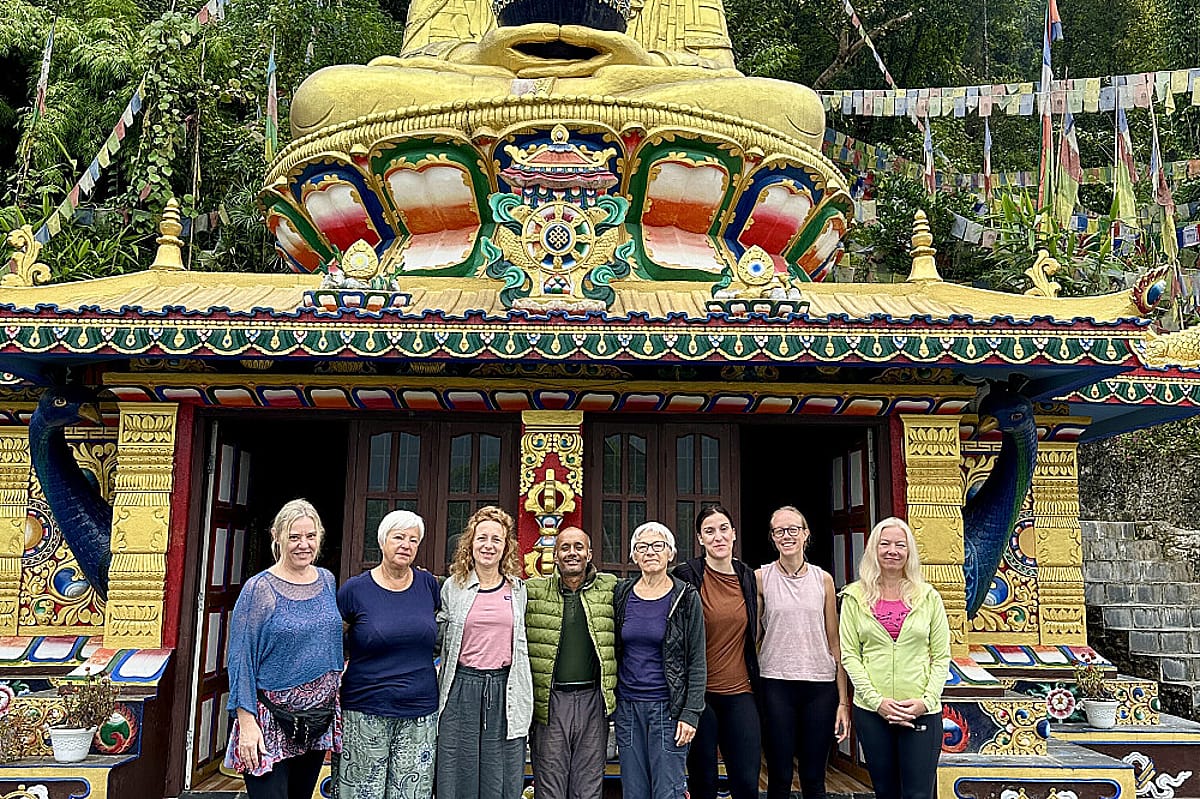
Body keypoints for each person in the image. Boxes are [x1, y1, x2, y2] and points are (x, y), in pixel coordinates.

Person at [224, 499, 342, 799]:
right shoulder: (259, 589)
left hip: (316, 720)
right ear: (277, 537)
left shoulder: (327, 580)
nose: (304, 544)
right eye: (294, 537)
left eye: (310, 536)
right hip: (269, 720)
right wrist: (246, 722)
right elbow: (241, 658)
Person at [839, 517, 951, 799]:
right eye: (885, 544)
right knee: (885, 791)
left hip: (920, 709)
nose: (892, 551)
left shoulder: (928, 597)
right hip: (873, 711)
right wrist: (877, 702)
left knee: (917, 794)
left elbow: (941, 656)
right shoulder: (854, 597)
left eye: (900, 545)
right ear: (873, 549)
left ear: (909, 551)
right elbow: (850, 655)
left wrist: (925, 701)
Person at [337, 509, 441, 799]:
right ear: (382, 541)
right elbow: (333, 640)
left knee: (411, 793)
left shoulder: (428, 585)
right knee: (362, 793)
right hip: (366, 709)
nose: (406, 545)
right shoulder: (355, 590)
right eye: (398, 537)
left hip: (420, 710)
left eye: (413, 540)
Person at [436, 506, 533, 799]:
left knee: (499, 772)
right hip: (461, 686)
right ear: (471, 543)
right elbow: (438, 636)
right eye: (482, 538)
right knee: (457, 769)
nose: (488, 545)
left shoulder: (517, 589)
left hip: (505, 688)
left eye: (496, 539)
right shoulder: (453, 587)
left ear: (506, 547)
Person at [755, 505, 851, 799]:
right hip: (776, 682)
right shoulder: (761, 577)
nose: (787, 536)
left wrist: (843, 701)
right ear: (772, 537)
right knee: (780, 775)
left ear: (806, 534)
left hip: (819, 685)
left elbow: (834, 641)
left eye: (793, 529)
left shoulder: (823, 580)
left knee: (813, 776)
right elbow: (753, 636)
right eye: (779, 531)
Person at [612, 521, 706, 799]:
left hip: (668, 710)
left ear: (670, 553)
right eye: (642, 547)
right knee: (634, 791)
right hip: (628, 708)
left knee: (668, 790)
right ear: (634, 556)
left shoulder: (685, 596)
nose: (650, 552)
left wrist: (690, 713)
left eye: (658, 546)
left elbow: (697, 660)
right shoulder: (622, 594)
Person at [672, 505, 761, 799]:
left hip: (740, 691)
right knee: (703, 781)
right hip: (700, 697)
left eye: (724, 529)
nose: (718, 537)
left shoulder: (747, 576)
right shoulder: (687, 575)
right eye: (709, 531)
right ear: (700, 538)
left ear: (734, 534)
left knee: (746, 781)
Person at [526, 526, 617, 799]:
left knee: (588, 788)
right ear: (554, 556)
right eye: (565, 548)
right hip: (550, 703)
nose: (572, 553)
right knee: (549, 787)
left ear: (590, 553)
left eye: (579, 547)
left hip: (593, 701)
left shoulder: (611, 588)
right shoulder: (532, 591)